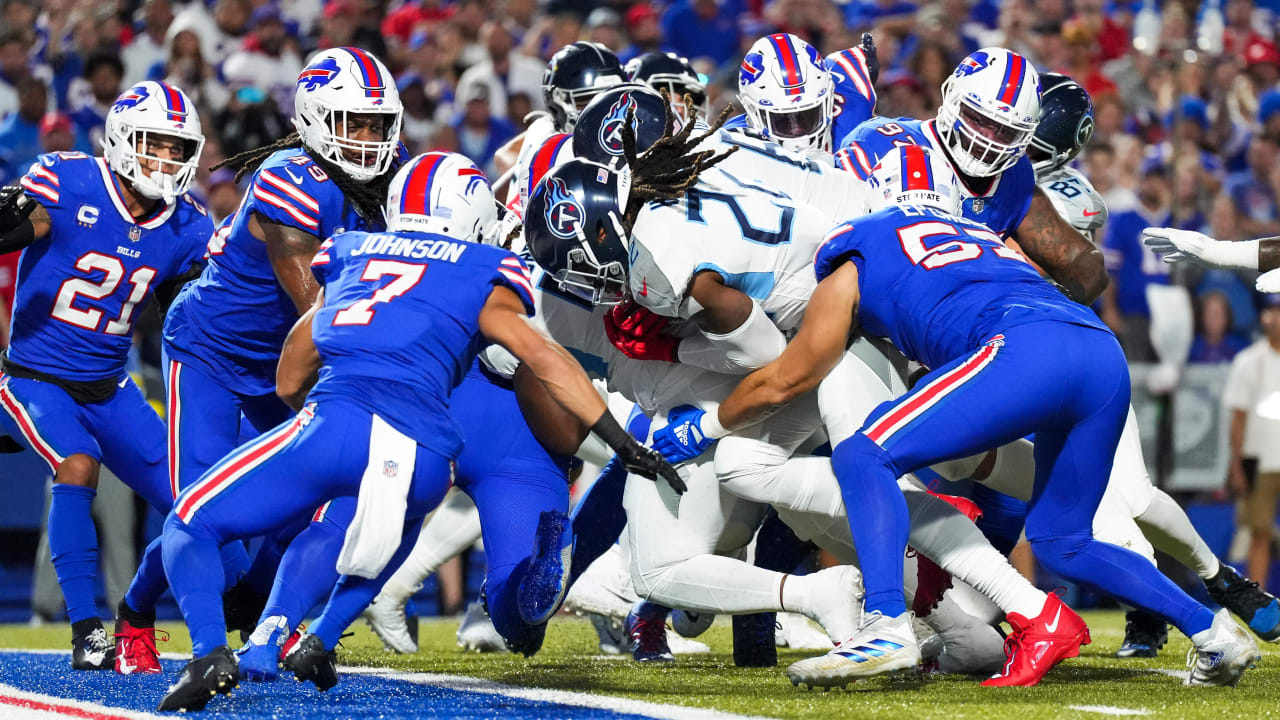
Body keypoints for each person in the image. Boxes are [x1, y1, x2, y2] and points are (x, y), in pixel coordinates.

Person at [697, 144, 1262, 689]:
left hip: (1023, 350)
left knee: (864, 452)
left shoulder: (854, 247)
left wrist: (706, 426)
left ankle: (886, 625)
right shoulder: (975, 232)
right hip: (1097, 348)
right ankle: (1214, 630)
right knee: (1064, 541)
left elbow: (791, 376)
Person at [156, 152, 680, 712]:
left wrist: (315, 410)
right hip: (449, 442)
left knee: (221, 518)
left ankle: (245, 644)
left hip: (372, 410)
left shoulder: (352, 250)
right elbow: (544, 359)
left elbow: (290, 372)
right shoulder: (488, 266)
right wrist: (621, 442)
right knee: (420, 530)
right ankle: (340, 634)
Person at [111, 47, 405, 676]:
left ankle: (264, 617)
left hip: (285, 361)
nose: (367, 138)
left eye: (377, 124)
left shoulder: (392, 180)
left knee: (305, 499)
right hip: (213, 350)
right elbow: (315, 307)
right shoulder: (290, 175)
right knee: (203, 511)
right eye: (351, 122)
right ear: (313, 118)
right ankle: (140, 616)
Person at [0, 81, 211, 670]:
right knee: (78, 464)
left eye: (177, 149)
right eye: (154, 145)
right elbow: (24, 224)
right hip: (36, 377)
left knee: (195, 499)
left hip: (113, 387)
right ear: (120, 140)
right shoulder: (70, 181)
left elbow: (200, 299)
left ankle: (215, 612)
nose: (166, 161)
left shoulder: (189, 224)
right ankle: (85, 628)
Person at [837, 47, 1108, 308]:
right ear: (952, 98)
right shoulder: (879, 143)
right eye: (978, 119)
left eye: (1005, 131)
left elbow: (1084, 260)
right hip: (862, 313)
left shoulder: (1013, 178)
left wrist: (1044, 306)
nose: (986, 139)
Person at [729, 32, 879, 159]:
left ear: (829, 97)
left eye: (807, 116)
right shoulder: (734, 147)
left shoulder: (854, 104)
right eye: (782, 121)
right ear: (752, 111)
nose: (797, 130)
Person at [1223, 296, 1280, 591]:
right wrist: (1236, 464)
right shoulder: (1248, 361)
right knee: (1258, 533)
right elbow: (1238, 418)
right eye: (1273, 311)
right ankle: (1258, 602)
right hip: (1259, 459)